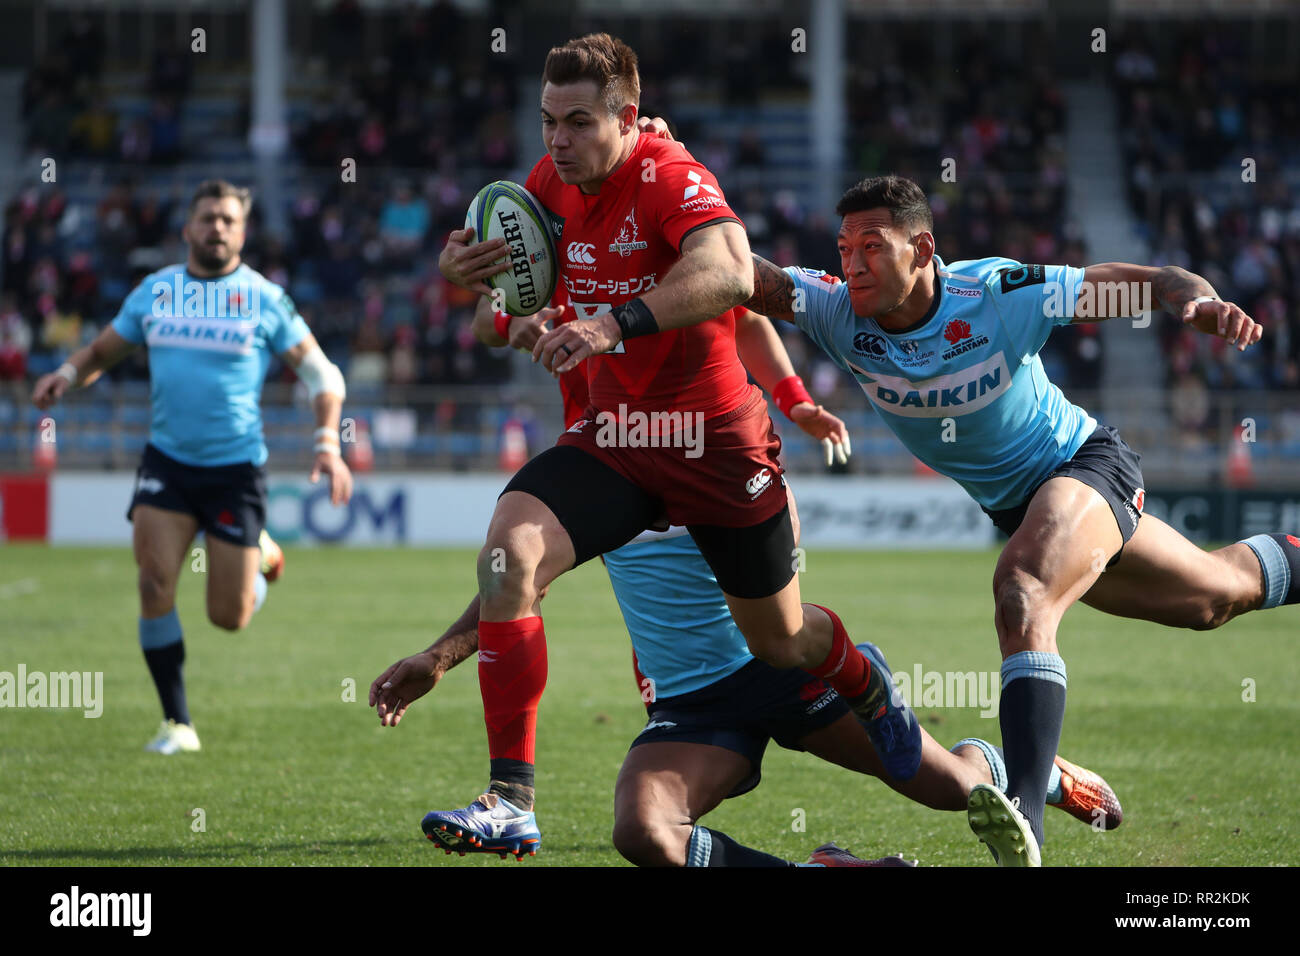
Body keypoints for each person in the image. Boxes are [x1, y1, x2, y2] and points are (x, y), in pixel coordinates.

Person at [370, 299, 1121, 865]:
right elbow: (519, 576)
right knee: (644, 835)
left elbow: (746, 312)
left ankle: (1024, 767)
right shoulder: (595, 467)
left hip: (786, 674)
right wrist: (436, 656)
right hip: (691, 703)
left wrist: (793, 405)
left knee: (958, 789)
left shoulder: (716, 430)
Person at [431, 34, 920, 837]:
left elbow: (733, 283)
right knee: (509, 556)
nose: (558, 140)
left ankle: (869, 688)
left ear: (627, 118)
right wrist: (468, 277)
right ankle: (510, 800)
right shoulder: (547, 184)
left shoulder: (670, 177)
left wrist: (611, 329)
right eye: (548, 121)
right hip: (617, 439)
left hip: (711, 446)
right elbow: (497, 319)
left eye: (579, 122)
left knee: (781, 641)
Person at [742, 173, 1295, 865]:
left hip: (1086, 468)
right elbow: (741, 273)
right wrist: (676, 198)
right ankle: (1034, 774)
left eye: (871, 247)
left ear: (921, 249)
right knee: (1215, 596)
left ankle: (1026, 826)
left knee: (1023, 589)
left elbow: (1153, 280)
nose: (852, 264)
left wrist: (1199, 302)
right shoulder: (833, 309)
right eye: (844, 247)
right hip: (1024, 510)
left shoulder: (999, 293)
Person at [31, 179, 353, 754]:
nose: (217, 228)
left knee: (227, 618)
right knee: (154, 582)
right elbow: (103, 352)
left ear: (243, 232)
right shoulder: (155, 293)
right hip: (168, 465)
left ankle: (263, 560)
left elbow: (324, 376)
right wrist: (67, 374)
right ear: (187, 228)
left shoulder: (264, 299)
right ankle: (176, 723)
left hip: (235, 472)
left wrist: (328, 443)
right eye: (207, 218)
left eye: (228, 220)